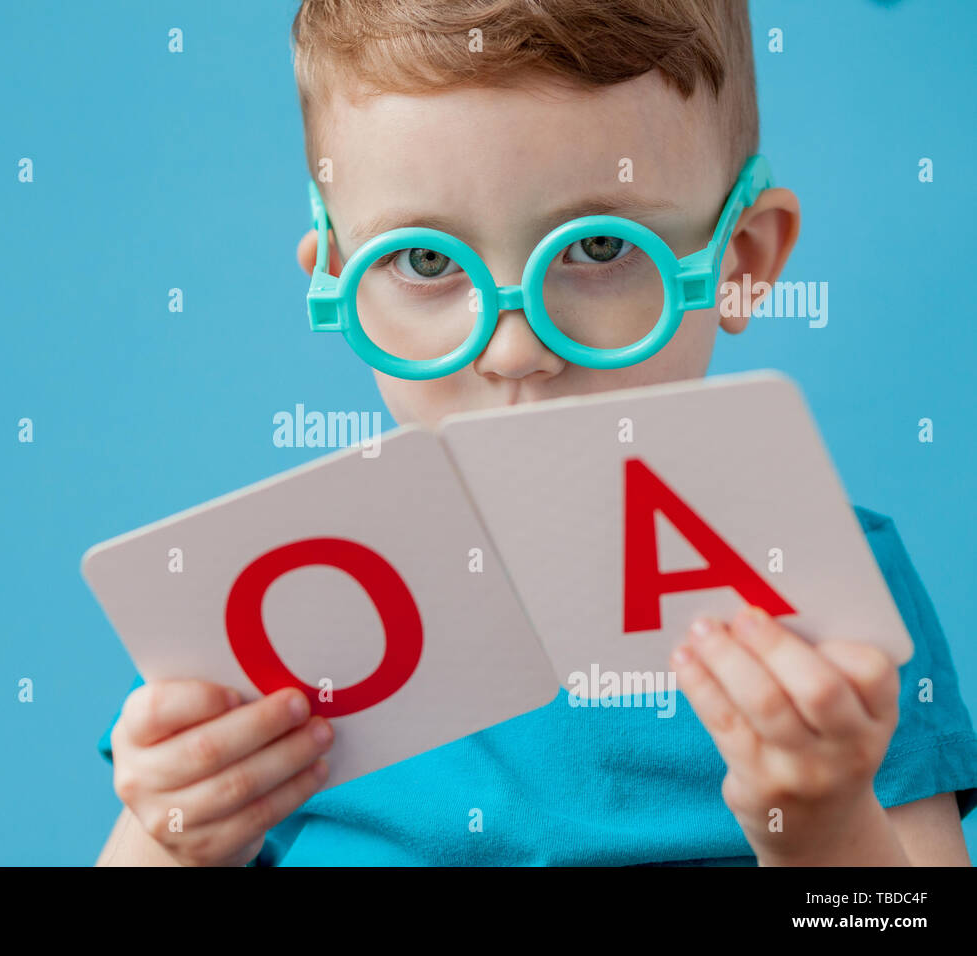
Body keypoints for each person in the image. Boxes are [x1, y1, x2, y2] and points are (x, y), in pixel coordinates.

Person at [95, 0, 977, 866]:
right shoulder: (270, 604)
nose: (515, 349)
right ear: (337, 278)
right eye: (426, 260)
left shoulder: (823, 581)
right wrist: (170, 839)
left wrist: (825, 831)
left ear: (740, 263)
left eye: (598, 250)